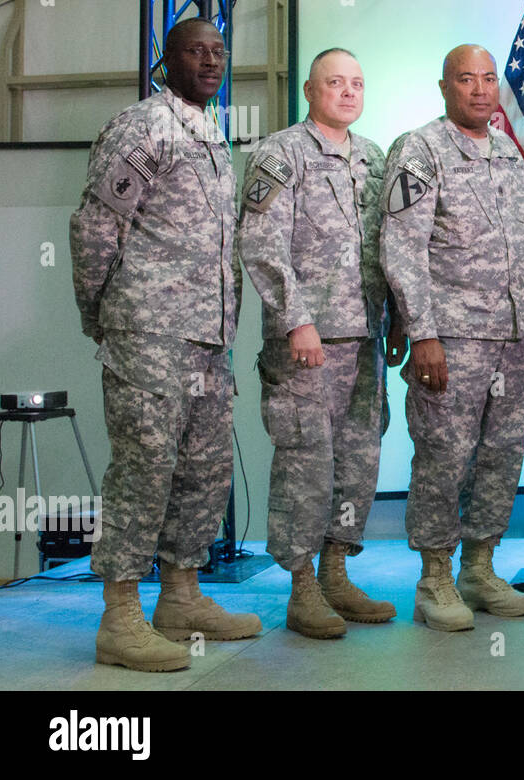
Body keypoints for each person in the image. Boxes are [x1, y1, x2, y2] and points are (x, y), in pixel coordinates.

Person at [69, 18, 260, 672]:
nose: (209, 62)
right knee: (146, 465)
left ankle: (181, 596)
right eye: (194, 51)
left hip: (207, 336)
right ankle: (120, 616)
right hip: (148, 330)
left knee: (204, 468)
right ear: (166, 60)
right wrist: (103, 312)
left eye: (217, 52)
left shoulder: (210, 135)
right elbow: (96, 227)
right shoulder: (142, 125)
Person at [380, 44, 524, 632]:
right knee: (445, 457)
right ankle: (435, 576)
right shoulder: (419, 150)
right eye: (465, 79)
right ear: (443, 87)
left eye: (488, 79)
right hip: (450, 337)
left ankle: (479, 565)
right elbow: (401, 246)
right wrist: (421, 333)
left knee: (501, 455)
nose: (479, 89)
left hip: (510, 337)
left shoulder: (507, 154)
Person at [238, 47, 395, 639]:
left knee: (357, 461)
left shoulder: (374, 159)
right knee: (306, 461)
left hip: (365, 337)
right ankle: (301, 587)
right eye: (336, 82)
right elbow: (261, 243)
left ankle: (335, 573)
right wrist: (295, 319)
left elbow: (391, 247)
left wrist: (396, 319)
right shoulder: (281, 153)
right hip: (307, 338)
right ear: (310, 90)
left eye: (357, 83)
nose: (349, 92)